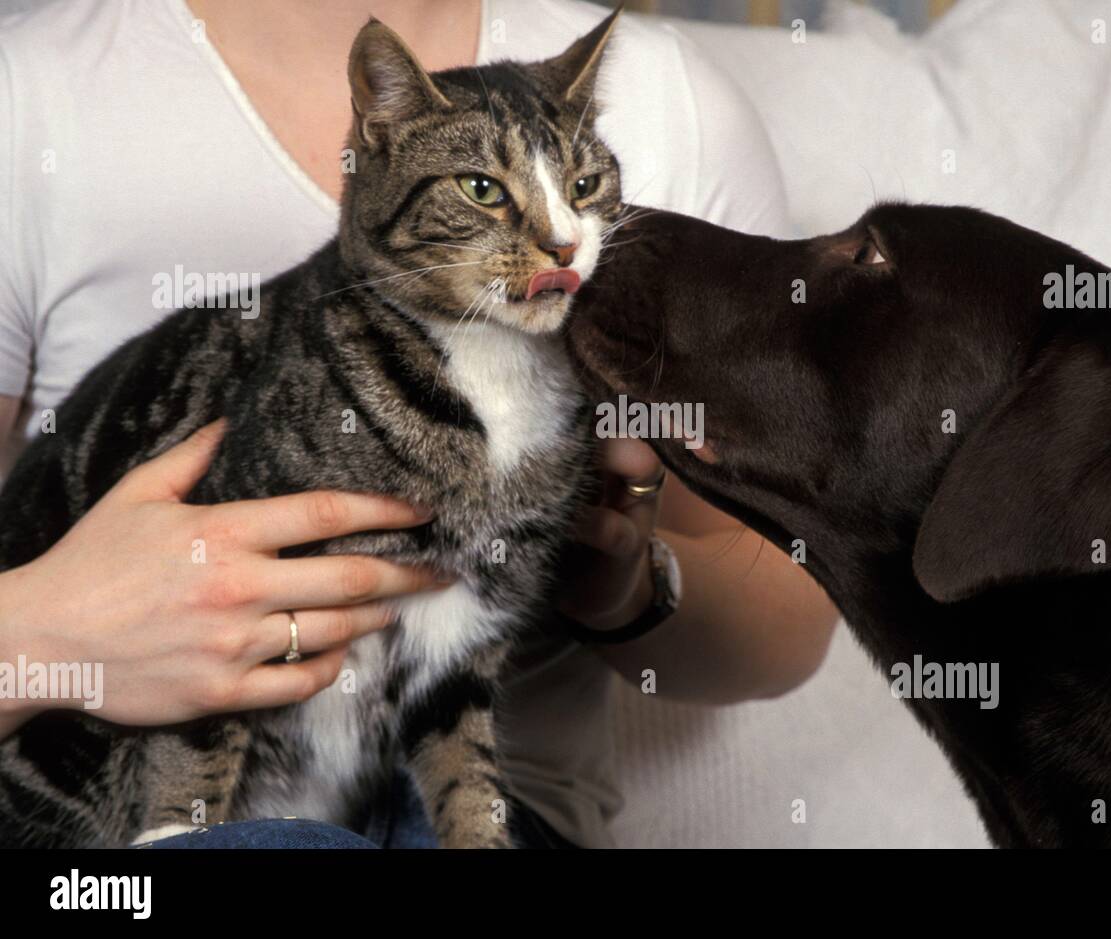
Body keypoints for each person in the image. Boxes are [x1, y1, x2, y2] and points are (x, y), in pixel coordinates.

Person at [0, 0, 838, 847]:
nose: (559, 239)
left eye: (582, 190)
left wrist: (626, 588)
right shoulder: (31, 88)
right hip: (114, 817)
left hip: (479, 797)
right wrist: (56, 628)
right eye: (487, 192)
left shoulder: (674, 92)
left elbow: (797, 611)